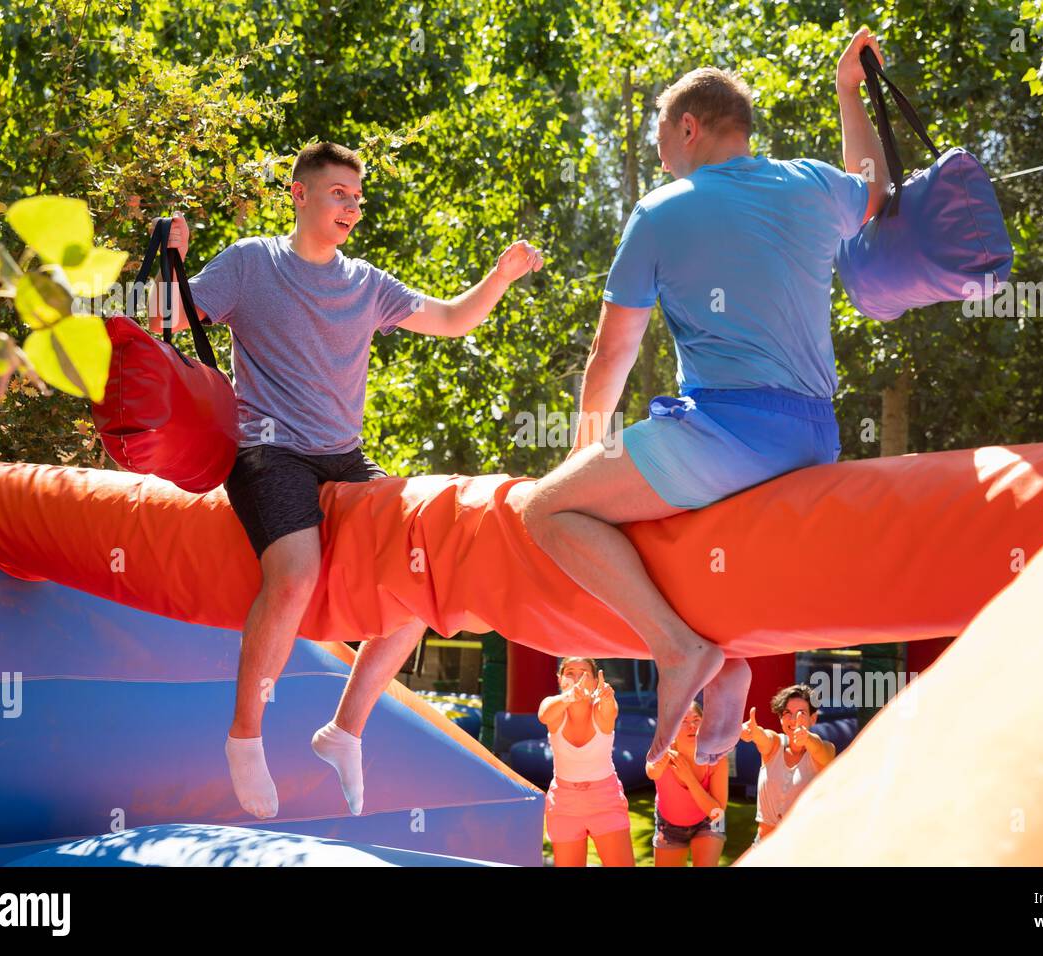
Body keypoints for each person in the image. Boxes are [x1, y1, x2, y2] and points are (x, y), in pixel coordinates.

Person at [520, 28, 892, 771]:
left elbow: (611, 352)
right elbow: (876, 186)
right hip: (816, 433)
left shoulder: (663, 209)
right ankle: (726, 673)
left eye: (662, 136)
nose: (661, 153)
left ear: (688, 127)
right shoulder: (814, 184)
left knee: (546, 509)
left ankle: (680, 649)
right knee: (699, 536)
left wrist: (585, 453)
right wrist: (849, 90)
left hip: (729, 430)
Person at [150, 141, 543, 819]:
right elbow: (168, 319)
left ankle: (345, 730)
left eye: (358, 199)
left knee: (425, 575)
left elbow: (451, 319)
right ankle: (245, 735)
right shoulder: (251, 263)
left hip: (345, 456)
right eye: (339, 194)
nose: (352, 209)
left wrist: (500, 278)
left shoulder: (366, 283)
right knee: (296, 575)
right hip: (268, 451)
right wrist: (171, 259)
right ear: (299, 195)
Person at [537, 657, 635, 867]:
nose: (577, 678)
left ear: (594, 681)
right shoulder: (553, 706)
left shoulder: (602, 707)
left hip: (605, 801)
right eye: (570, 672)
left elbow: (611, 710)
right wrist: (569, 697)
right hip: (564, 804)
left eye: (584, 673)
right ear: (560, 679)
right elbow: (544, 715)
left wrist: (608, 697)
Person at [742, 684, 836, 844]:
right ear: (780, 718)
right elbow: (764, 737)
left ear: (813, 719)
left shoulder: (824, 749)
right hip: (764, 846)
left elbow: (821, 749)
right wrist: (754, 733)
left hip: (801, 850)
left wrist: (807, 738)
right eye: (787, 713)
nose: (793, 720)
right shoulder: (775, 744)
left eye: (801, 713)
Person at [646, 701, 729, 867]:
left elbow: (717, 812)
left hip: (710, 821)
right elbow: (651, 771)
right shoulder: (663, 750)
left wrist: (689, 779)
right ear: (673, 728)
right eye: (683, 721)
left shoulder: (716, 757)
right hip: (668, 825)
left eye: (696, 720)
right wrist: (658, 766)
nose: (691, 726)